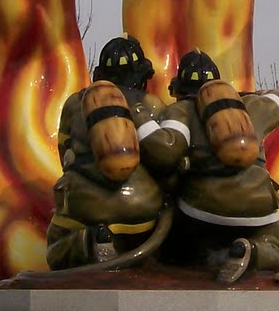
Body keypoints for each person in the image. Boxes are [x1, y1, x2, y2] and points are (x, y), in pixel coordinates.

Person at [156, 49, 279, 282]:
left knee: (180, 247)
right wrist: (248, 95)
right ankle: (254, 252)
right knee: (274, 245)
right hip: (259, 208)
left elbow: (167, 152)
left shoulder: (180, 110)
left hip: (203, 211)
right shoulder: (251, 106)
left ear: (178, 89)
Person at [45, 35, 180, 269]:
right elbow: (163, 159)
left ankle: (88, 241)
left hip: (84, 207)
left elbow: (64, 158)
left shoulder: (75, 103)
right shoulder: (153, 105)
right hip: (143, 208)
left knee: (54, 250)